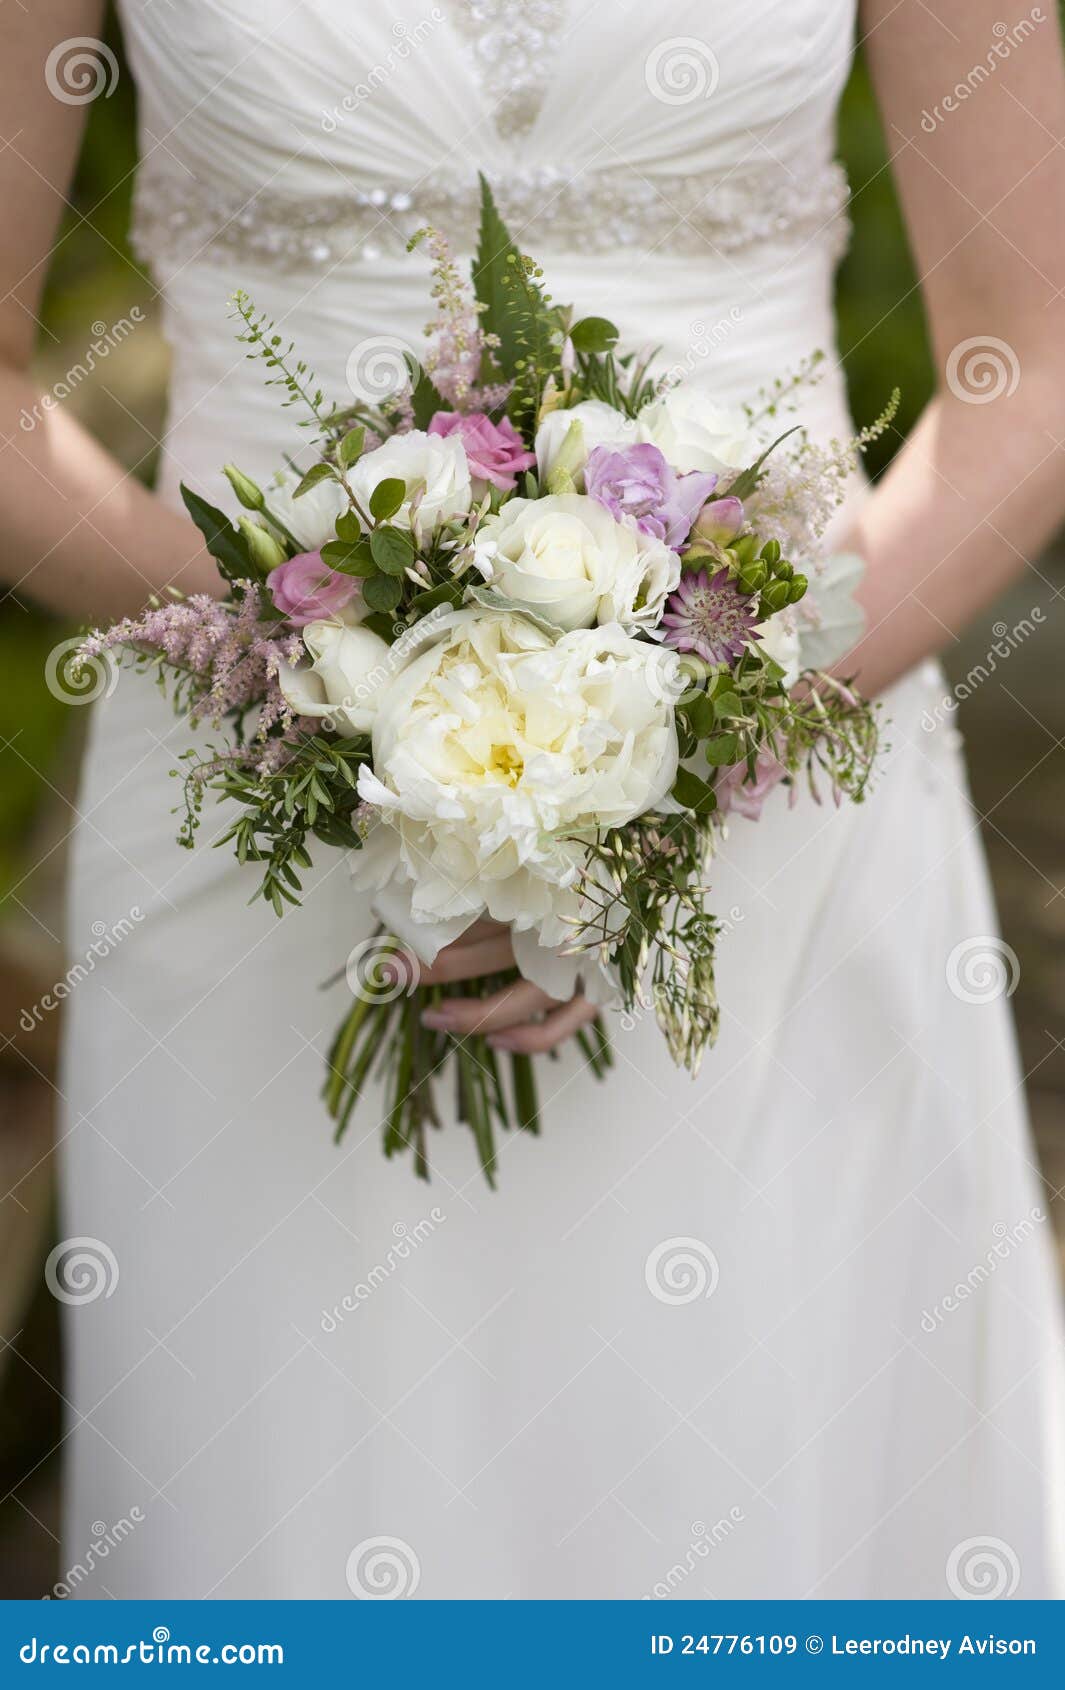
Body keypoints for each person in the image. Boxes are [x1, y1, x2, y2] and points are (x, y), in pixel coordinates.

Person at [3, 0, 1063, 1598]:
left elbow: (1032, 363)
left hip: (779, 804)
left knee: (749, 1469)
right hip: (251, 812)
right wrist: (314, 662)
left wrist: (681, 733)